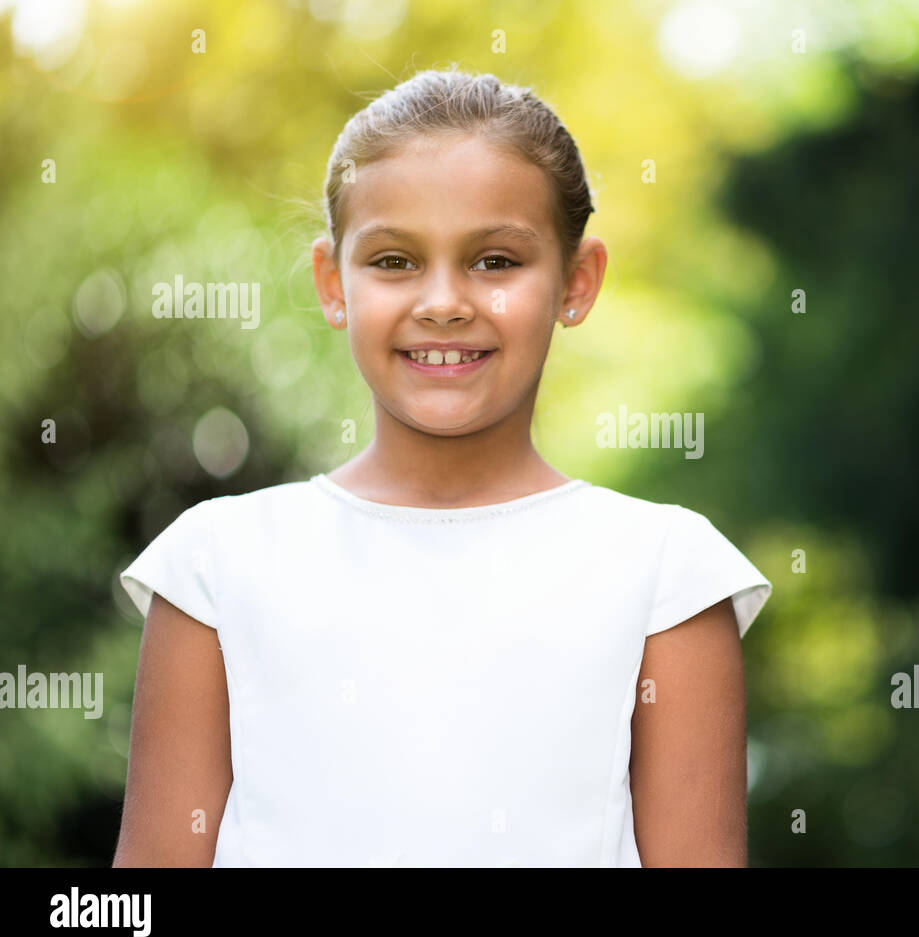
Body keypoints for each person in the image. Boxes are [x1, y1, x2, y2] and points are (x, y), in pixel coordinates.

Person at [113, 68, 771, 867]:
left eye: (495, 261)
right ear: (333, 283)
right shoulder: (216, 564)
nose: (444, 301)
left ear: (577, 280)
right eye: (393, 261)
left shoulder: (666, 572)